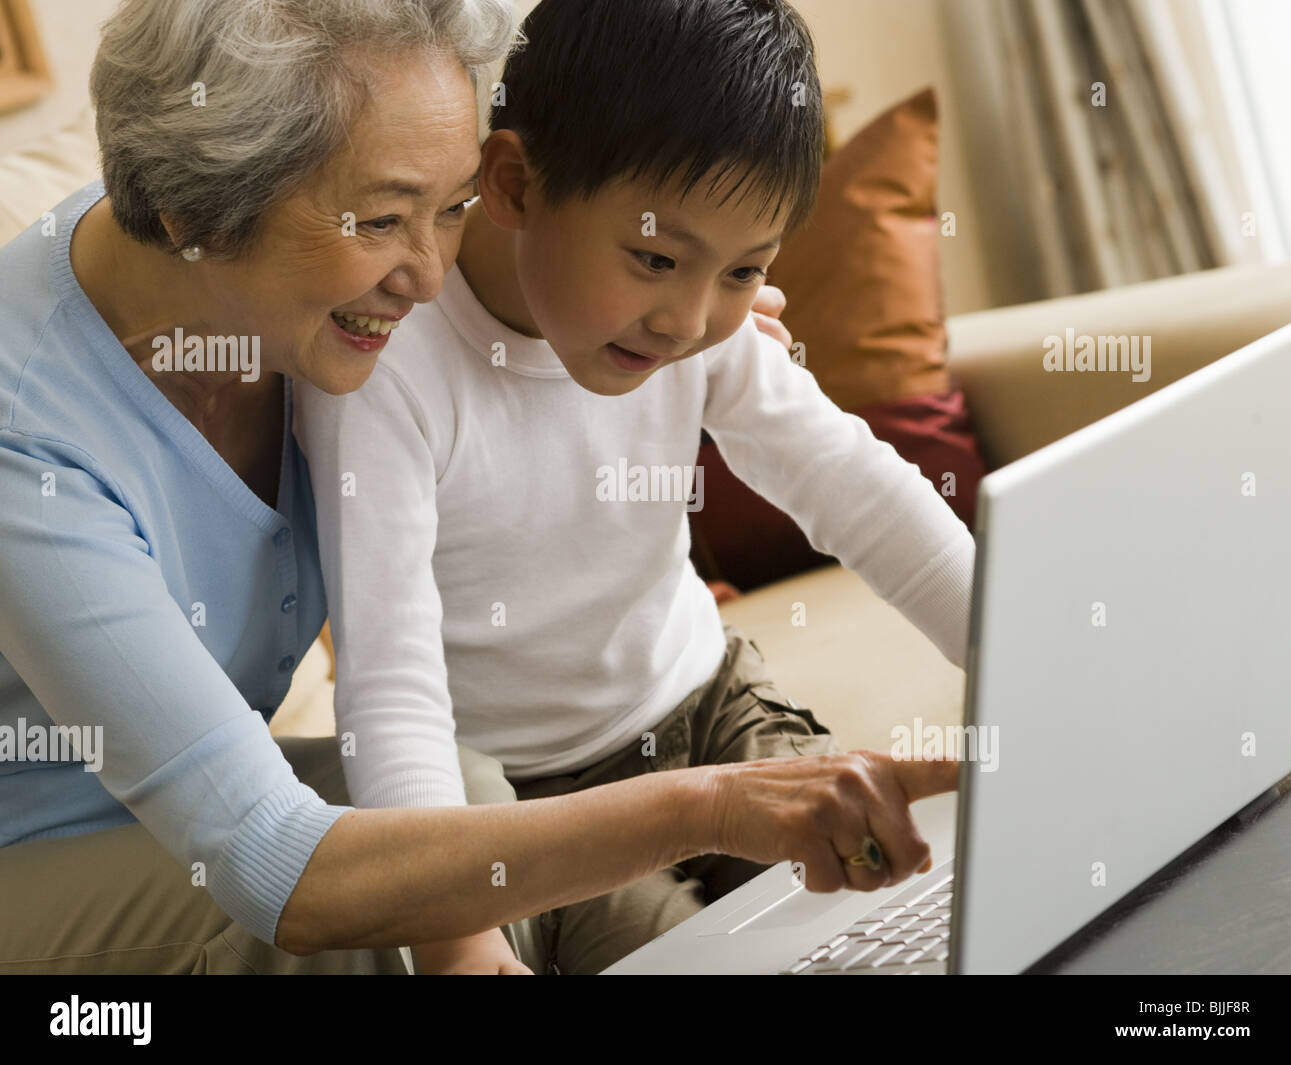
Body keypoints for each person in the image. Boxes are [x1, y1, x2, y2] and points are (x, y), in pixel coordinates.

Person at [0, 0, 951, 976]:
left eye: (450, 208)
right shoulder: (27, 438)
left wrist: (676, 302)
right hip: (36, 860)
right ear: (193, 214)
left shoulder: (274, 295)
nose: (427, 277)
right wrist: (709, 804)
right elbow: (271, 860)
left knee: (464, 798)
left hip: (219, 785)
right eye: (380, 221)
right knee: (362, 919)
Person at [296, 0, 975, 975]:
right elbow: (387, 681)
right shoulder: (387, 364)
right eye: (654, 259)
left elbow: (856, 485)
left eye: (745, 270)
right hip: (540, 809)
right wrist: (454, 939)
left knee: (908, 922)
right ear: (516, 183)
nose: (688, 320)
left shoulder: (703, 327)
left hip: (709, 707)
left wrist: (1023, 658)